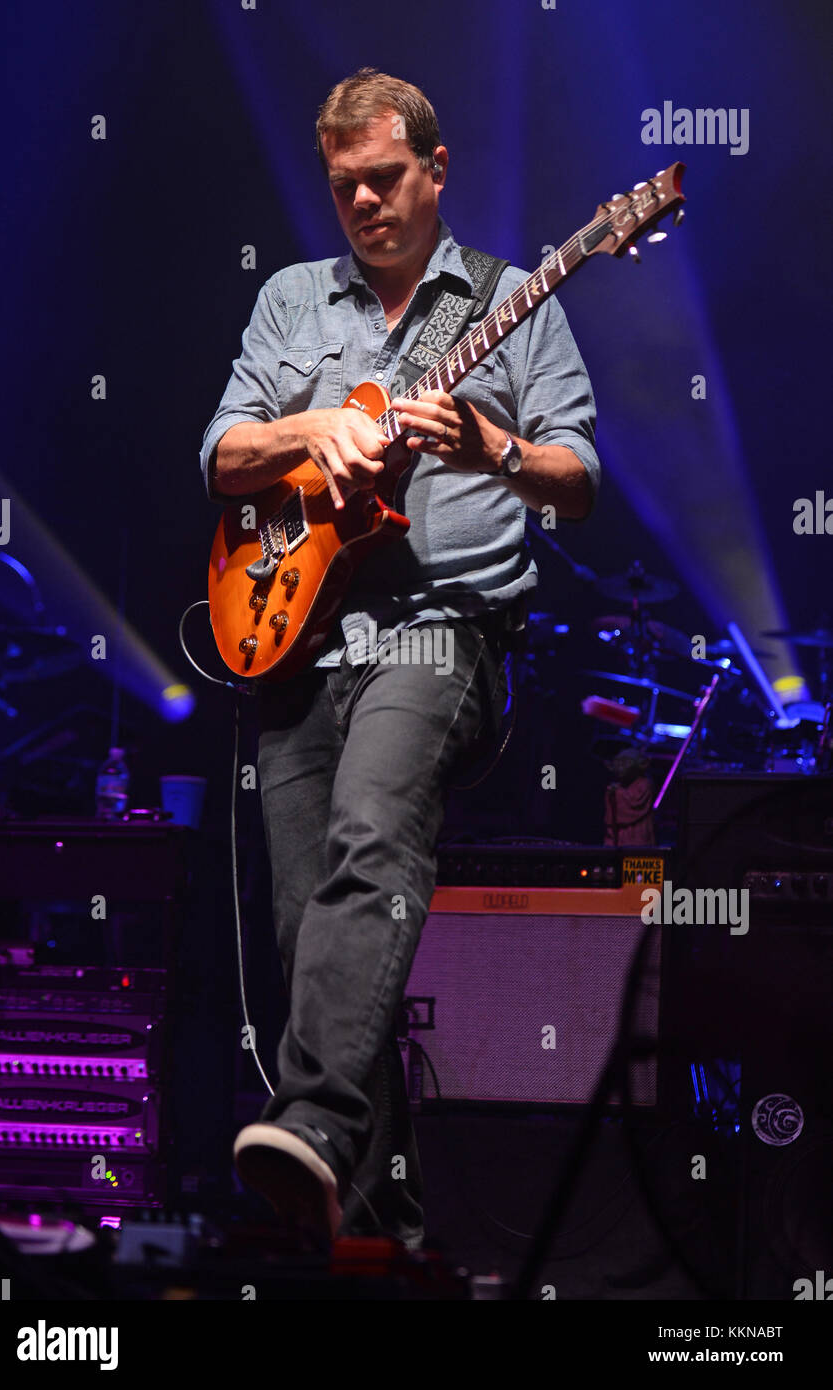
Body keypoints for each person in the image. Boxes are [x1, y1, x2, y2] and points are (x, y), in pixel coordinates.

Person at [199, 67, 601, 1251]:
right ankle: (381, 1234)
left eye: (385, 179)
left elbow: (577, 482)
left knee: (371, 832)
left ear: (435, 170)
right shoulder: (291, 304)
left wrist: (495, 449)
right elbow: (222, 454)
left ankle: (314, 1122)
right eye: (344, 187)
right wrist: (309, 426)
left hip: (444, 634)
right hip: (298, 643)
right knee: (309, 931)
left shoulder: (514, 297)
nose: (366, 202)